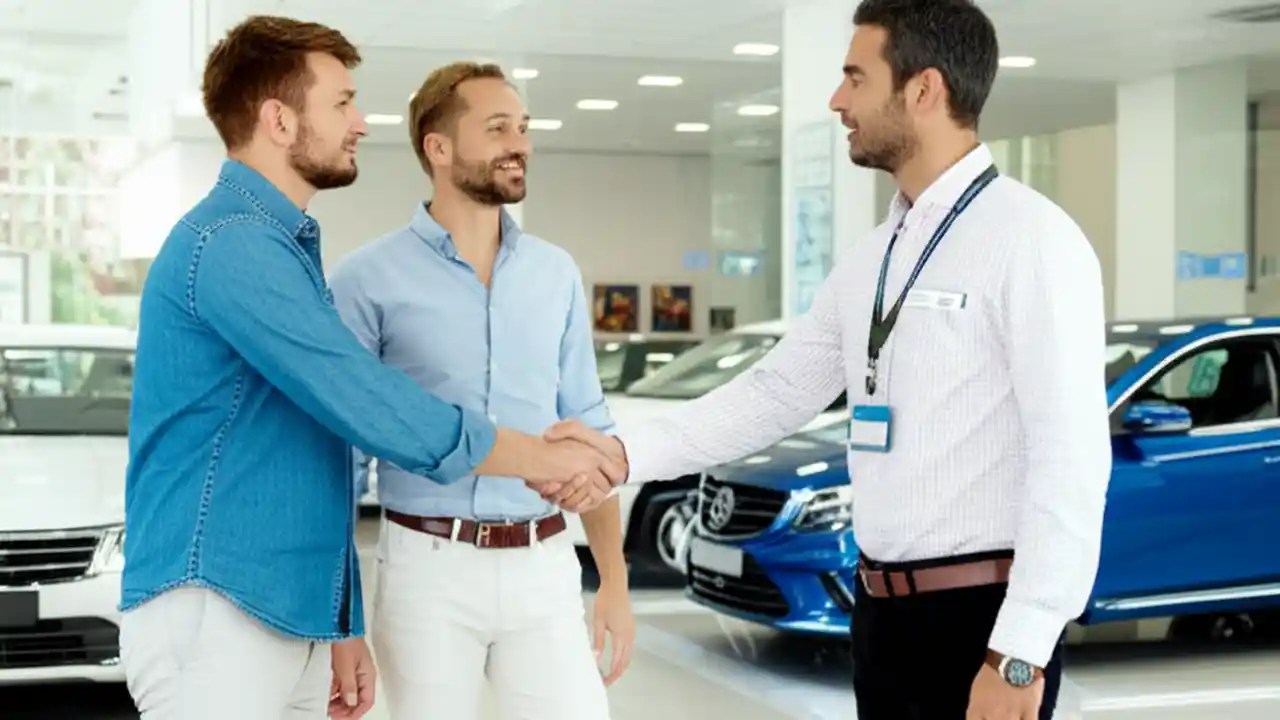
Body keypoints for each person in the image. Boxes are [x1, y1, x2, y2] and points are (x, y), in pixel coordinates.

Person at [542, 1, 1112, 718]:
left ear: (924, 89)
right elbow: (776, 392)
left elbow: (1072, 459)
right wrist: (624, 454)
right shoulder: (876, 254)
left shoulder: (1031, 240)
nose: (837, 100)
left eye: (855, 77)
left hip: (981, 624)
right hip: (880, 619)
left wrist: (1021, 652)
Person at [118, 16, 620, 720]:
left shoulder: (281, 248)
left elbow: (323, 456)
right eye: (342, 102)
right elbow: (369, 404)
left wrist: (339, 616)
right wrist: (538, 455)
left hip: (282, 607)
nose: (359, 123)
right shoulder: (232, 245)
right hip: (217, 600)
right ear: (279, 120)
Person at [327, 61, 632, 720]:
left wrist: (613, 578)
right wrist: (342, 619)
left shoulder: (555, 273)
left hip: (546, 561)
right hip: (426, 566)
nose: (518, 143)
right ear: (438, 148)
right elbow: (338, 467)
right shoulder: (366, 280)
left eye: (522, 128)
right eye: (497, 128)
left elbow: (588, 427)